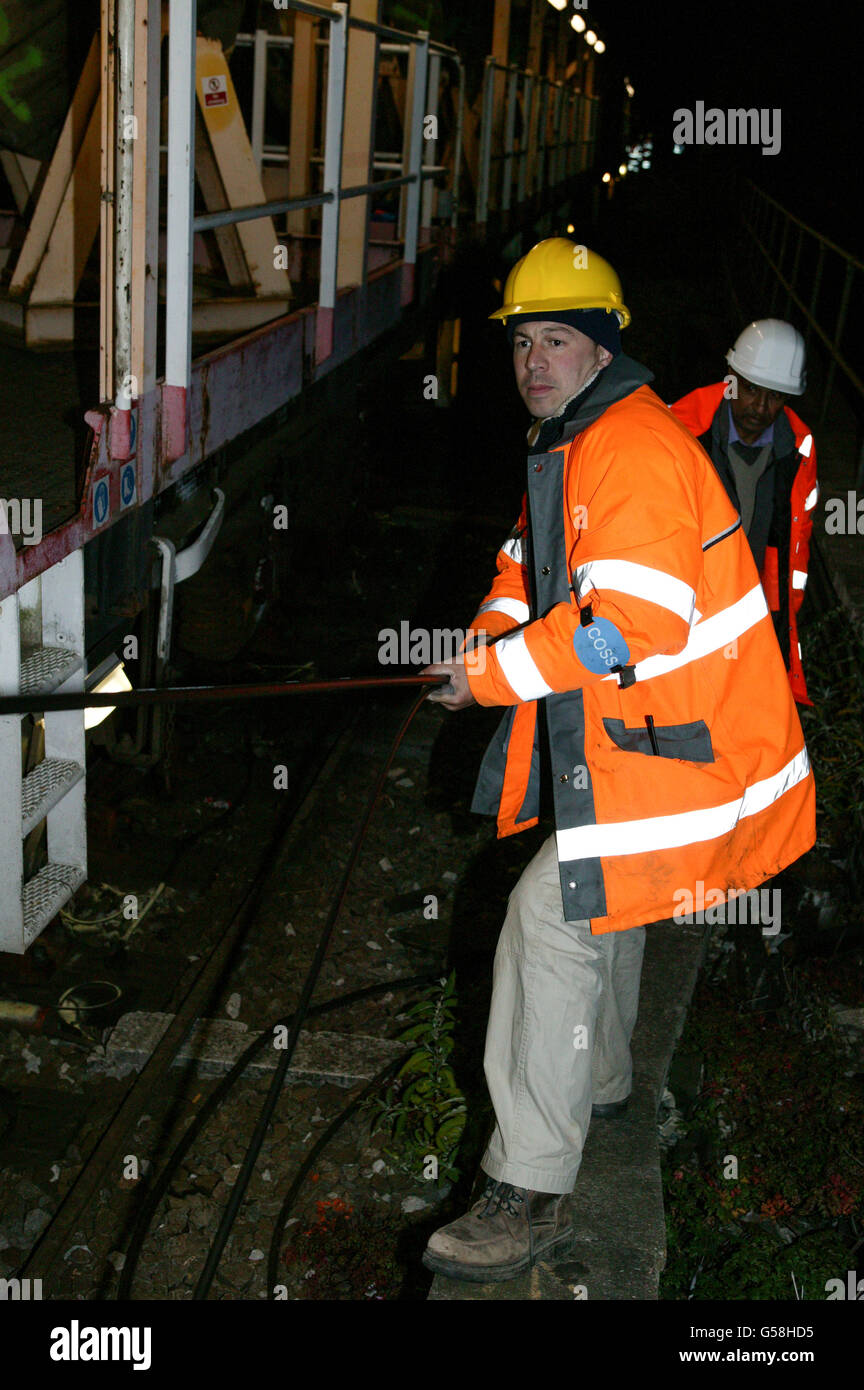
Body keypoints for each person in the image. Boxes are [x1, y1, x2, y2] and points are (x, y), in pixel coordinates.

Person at [419, 238, 816, 1284]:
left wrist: (497, 678)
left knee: (547, 916)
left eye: (559, 339)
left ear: (602, 350)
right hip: (667, 744)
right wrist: (480, 643)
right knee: (603, 893)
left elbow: (625, 626)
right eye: (522, 341)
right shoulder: (569, 441)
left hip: (696, 759)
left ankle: (529, 1189)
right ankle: (601, 1085)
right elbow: (527, 568)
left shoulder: (628, 450)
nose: (534, 359)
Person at [670, 320, 818, 705]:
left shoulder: (796, 453)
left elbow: (794, 553)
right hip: (682, 613)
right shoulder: (679, 433)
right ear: (731, 378)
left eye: (775, 396)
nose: (760, 407)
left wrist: (776, 626)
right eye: (751, 389)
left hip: (748, 619)